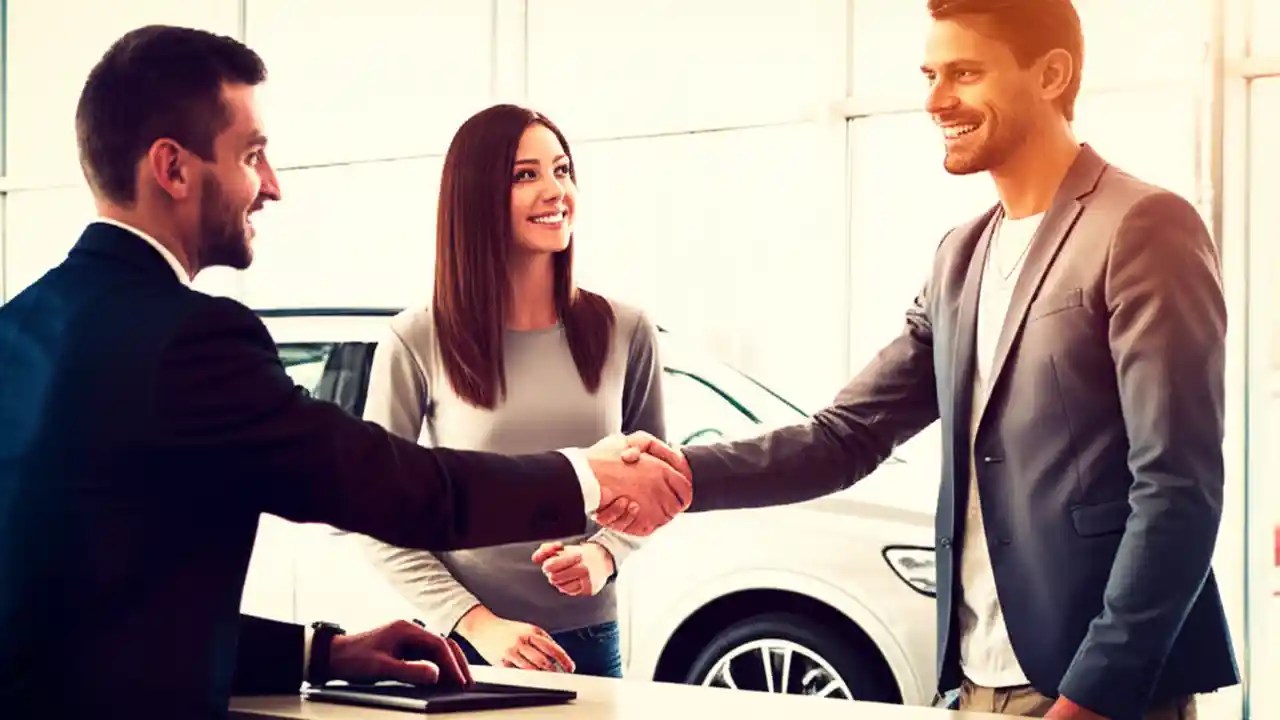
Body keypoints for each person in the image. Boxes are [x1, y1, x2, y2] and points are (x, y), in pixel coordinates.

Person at [0, 25, 689, 718]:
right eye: (253, 155)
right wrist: (586, 477)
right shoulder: (195, 337)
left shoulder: (15, 329)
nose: (270, 186)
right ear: (173, 169)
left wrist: (318, 655)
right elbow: (387, 485)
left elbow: (101, 613)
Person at [613, 1, 1237, 718]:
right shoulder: (959, 257)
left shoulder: (1141, 226)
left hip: (1096, 687)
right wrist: (682, 475)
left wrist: (1094, 694)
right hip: (974, 678)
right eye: (931, 74)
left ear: (1051, 74)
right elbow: (846, 434)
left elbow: (1178, 486)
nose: (937, 99)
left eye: (965, 73)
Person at [356, 104, 664, 679]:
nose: (555, 190)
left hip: (589, 641)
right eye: (526, 175)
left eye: (563, 170)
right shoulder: (416, 338)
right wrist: (478, 624)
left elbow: (659, 489)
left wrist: (604, 553)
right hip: (463, 647)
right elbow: (376, 515)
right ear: (476, 197)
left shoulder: (628, 330)